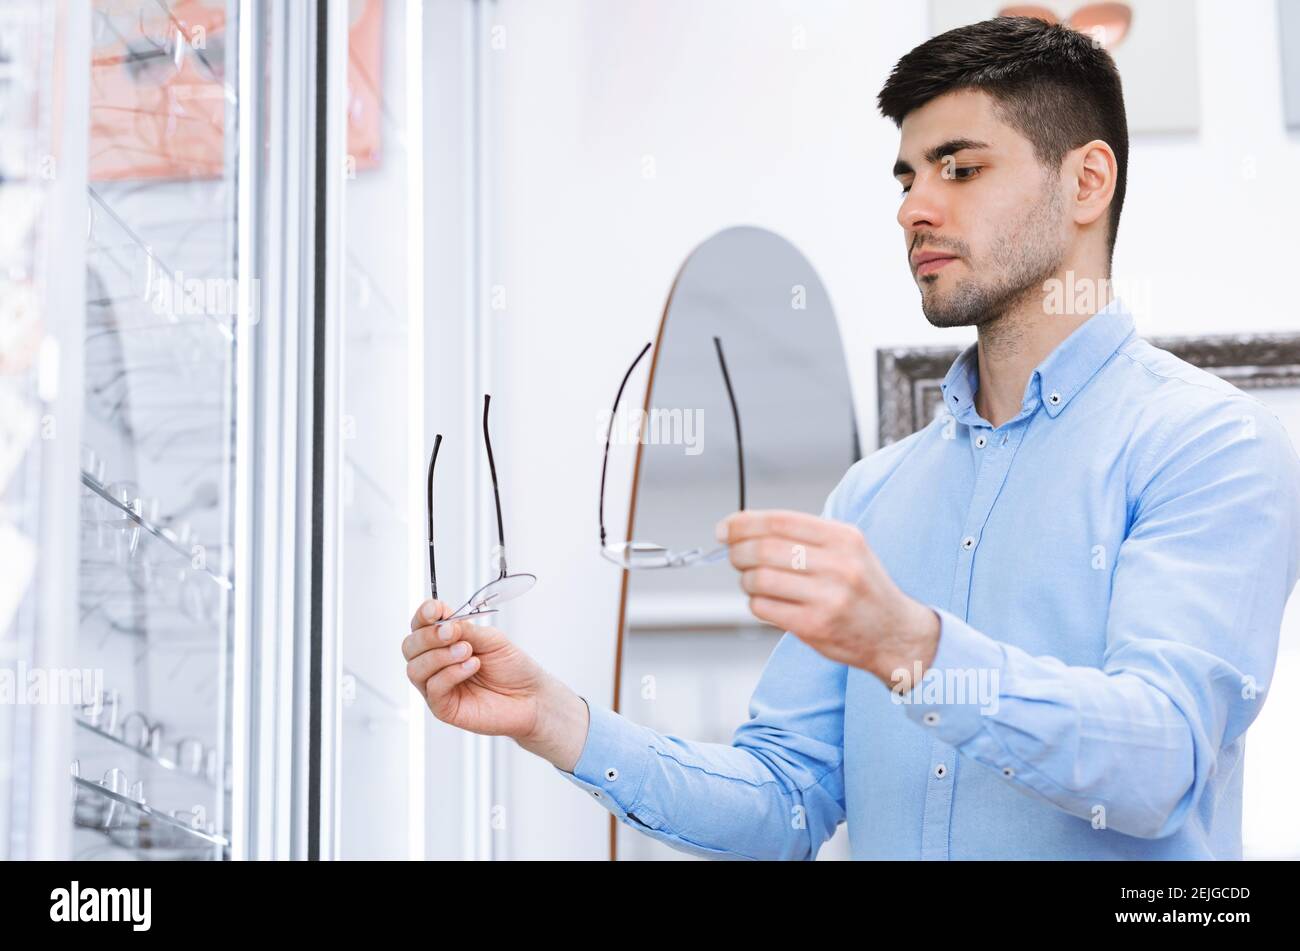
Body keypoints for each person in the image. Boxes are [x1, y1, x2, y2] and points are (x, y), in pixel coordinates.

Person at [400, 16, 1300, 859]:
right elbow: (785, 798)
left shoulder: (1210, 446)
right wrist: (554, 719)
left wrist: (911, 647)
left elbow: (1159, 759)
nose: (914, 208)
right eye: (907, 177)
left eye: (959, 167)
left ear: (1086, 183)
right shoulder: (872, 496)